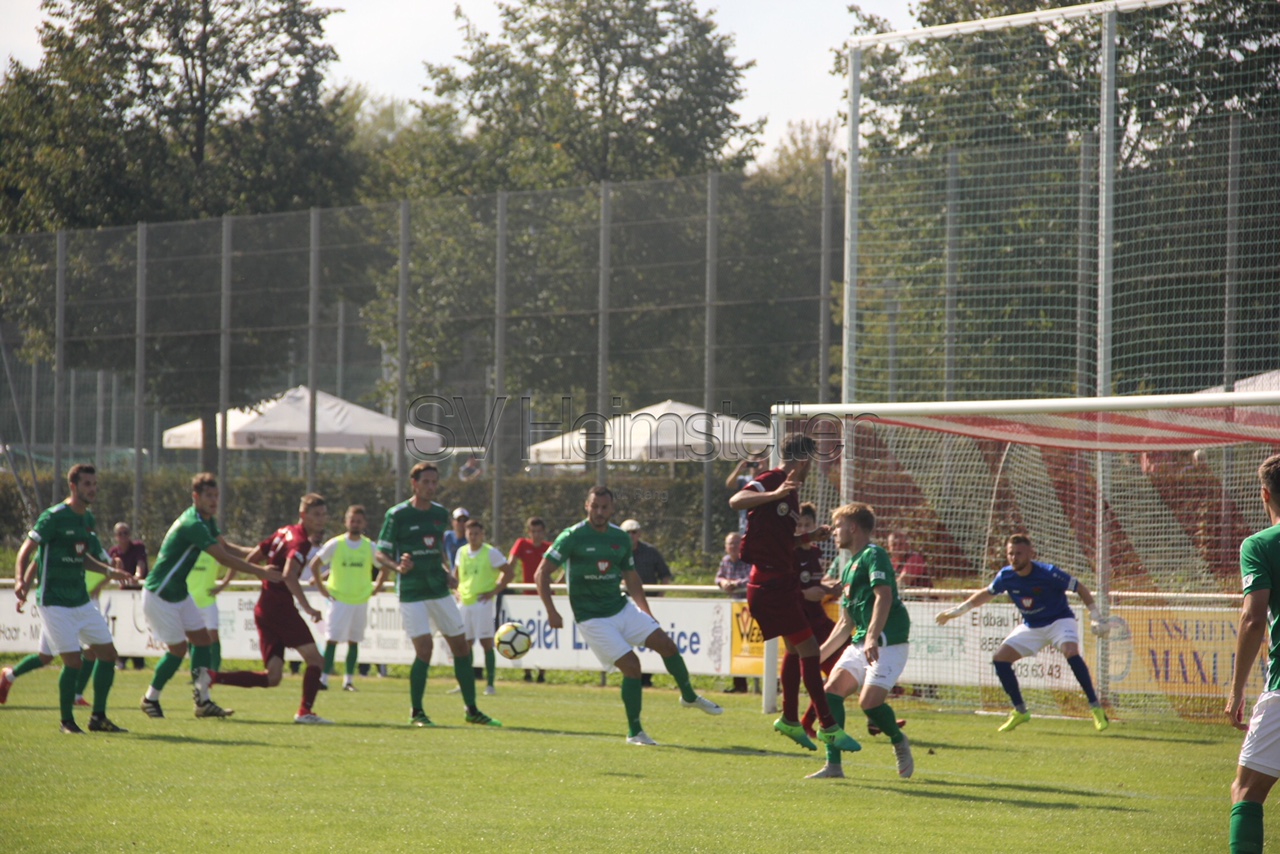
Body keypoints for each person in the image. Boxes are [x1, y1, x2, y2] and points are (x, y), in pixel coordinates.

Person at [535, 486, 722, 746]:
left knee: (667, 645)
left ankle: (689, 696)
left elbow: (631, 577)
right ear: (586, 506)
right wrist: (551, 611)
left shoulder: (620, 538)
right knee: (632, 667)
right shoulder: (572, 536)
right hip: (592, 618)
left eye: (604, 507)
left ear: (612, 509)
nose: (599, 512)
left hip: (621, 607)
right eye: (595, 506)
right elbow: (541, 573)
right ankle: (635, 732)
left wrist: (645, 611)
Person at [728, 432, 861, 754]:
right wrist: (774, 493)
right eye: (811, 461)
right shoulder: (773, 480)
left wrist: (809, 537)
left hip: (778, 583)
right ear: (803, 460)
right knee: (811, 651)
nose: (811, 468)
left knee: (797, 650)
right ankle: (827, 726)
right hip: (770, 584)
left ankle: (790, 718)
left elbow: (779, 542)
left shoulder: (790, 493)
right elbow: (736, 500)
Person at [139, 472, 283, 721]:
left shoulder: (206, 520)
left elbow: (226, 547)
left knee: (203, 641)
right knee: (178, 650)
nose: (214, 500)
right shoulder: (192, 524)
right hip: (160, 593)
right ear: (195, 497)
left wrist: (263, 552)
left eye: (216, 495)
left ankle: (203, 700)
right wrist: (261, 572)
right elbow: (223, 558)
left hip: (178, 592)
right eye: (208, 496)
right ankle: (150, 699)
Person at [935, 533, 1111, 732]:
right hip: (1032, 626)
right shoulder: (1006, 576)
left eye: (1019, 553)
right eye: (1010, 553)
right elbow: (987, 593)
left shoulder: (1048, 573)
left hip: (1059, 621)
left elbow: (1080, 588)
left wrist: (1095, 615)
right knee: (1000, 658)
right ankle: (1020, 711)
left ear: (1030, 554)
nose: (1014, 558)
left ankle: (1096, 707)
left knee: (1070, 651)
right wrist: (958, 611)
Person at [10, 464, 134, 733]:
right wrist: (20, 580)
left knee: (108, 654)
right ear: (73, 486)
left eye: (95, 484)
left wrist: (110, 572)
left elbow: (82, 558)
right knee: (73, 662)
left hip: (81, 600)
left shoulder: (87, 519)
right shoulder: (53, 517)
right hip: (54, 602)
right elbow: (27, 550)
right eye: (87, 484)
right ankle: (67, 721)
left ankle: (98, 718)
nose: (93, 489)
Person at [377, 463, 501, 728]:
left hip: (439, 590)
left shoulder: (440, 514)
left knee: (461, 647)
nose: (431, 487)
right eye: (426, 482)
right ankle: (417, 712)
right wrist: (397, 566)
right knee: (425, 649)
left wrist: (447, 573)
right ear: (414, 484)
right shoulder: (397, 515)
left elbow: (437, 553)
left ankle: (472, 710)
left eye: (435, 482)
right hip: (412, 593)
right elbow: (380, 553)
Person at [809, 502, 914, 780]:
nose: (834, 531)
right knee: (830, 692)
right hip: (862, 642)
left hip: (888, 641)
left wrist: (872, 637)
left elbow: (884, 596)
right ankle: (834, 766)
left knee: (869, 703)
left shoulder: (874, 554)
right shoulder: (848, 568)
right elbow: (845, 623)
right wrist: (815, 657)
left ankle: (898, 739)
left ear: (853, 527)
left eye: (838, 526)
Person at [212, 493, 334, 724]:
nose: (322, 519)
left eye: (324, 514)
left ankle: (211, 677)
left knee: (273, 677)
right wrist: (308, 607)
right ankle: (305, 712)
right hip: (280, 608)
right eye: (317, 514)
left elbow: (252, 558)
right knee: (316, 660)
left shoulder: (283, 531)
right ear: (303, 515)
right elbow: (289, 574)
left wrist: (261, 576)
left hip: (264, 607)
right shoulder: (301, 541)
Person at [1226, 452, 1280, 853]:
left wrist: (1236, 691)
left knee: (1246, 790)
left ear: (1265, 494)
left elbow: (1252, 619)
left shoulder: (1260, 545)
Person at [310, 505, 394, 692]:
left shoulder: (369, 546)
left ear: (364, 524)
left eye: (359, 521)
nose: (355, 524)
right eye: (352, 520)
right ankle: (324, 679)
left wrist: (377, 587)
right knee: (332, 639)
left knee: (354, 641)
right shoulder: (336, 544)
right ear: (346, 522)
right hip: (339, 600)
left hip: (360, 600)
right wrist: (322, 589)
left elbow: (384, 567)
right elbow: (315, 564)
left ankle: (348, 681)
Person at [453, 519, 513, 696]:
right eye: (470, 533)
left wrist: (494, 591)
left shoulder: (490, 552)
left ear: (483, 535)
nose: (473, 537)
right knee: (465, 644)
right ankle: (465, 682)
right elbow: (455, 575)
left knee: (486, 643)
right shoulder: (462, 552)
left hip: (482, 603)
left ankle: (490, 684)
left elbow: (509, 572)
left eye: (476, 534)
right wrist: (456, 591)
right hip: (464, 602)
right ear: (465, 534)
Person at [621, 518, 673, 687]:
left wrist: (659, 597)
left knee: (651, 640)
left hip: (648, 604)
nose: (631, 536)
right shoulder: (616, 551)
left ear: (640, 533)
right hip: (623, 604)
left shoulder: (650, 552)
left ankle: (646, 677)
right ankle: (630, 675)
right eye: (627, 533)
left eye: (634, 532)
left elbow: (665, 575)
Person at [508, 516, 551, 683]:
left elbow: (565, 565)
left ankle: (542, 672)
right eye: (533, 531)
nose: (536, 535)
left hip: (545, 599)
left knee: (544, 637)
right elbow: (510, 565)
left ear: (544, 532)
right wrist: (506, 582)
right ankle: (527, 671)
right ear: (528, 532)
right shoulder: (522, 544)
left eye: (539, 531)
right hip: (527, 599)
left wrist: (557, 583)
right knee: (524, 635)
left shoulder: (549, 547)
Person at [715, 531, 751, 694]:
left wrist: (736, 584)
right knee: (735, 647)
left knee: (754, 648)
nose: (733, 546)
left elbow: (752, 578)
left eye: (737, 543)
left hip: (750, 609)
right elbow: (718, 577)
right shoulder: (725, 561)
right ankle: (740, 685)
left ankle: (772, 686)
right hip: (734, 609)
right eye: (730, 543)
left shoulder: (748, 559)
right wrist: (724, 583)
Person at [725, 454, 766, 533]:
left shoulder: (767, 479)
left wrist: (764, 470)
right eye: (752, 463)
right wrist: (738, 470)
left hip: (763, 524)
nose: (755, 466)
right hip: (746, 525)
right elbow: (729, 484)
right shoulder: (745, 480)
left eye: (757, 463)